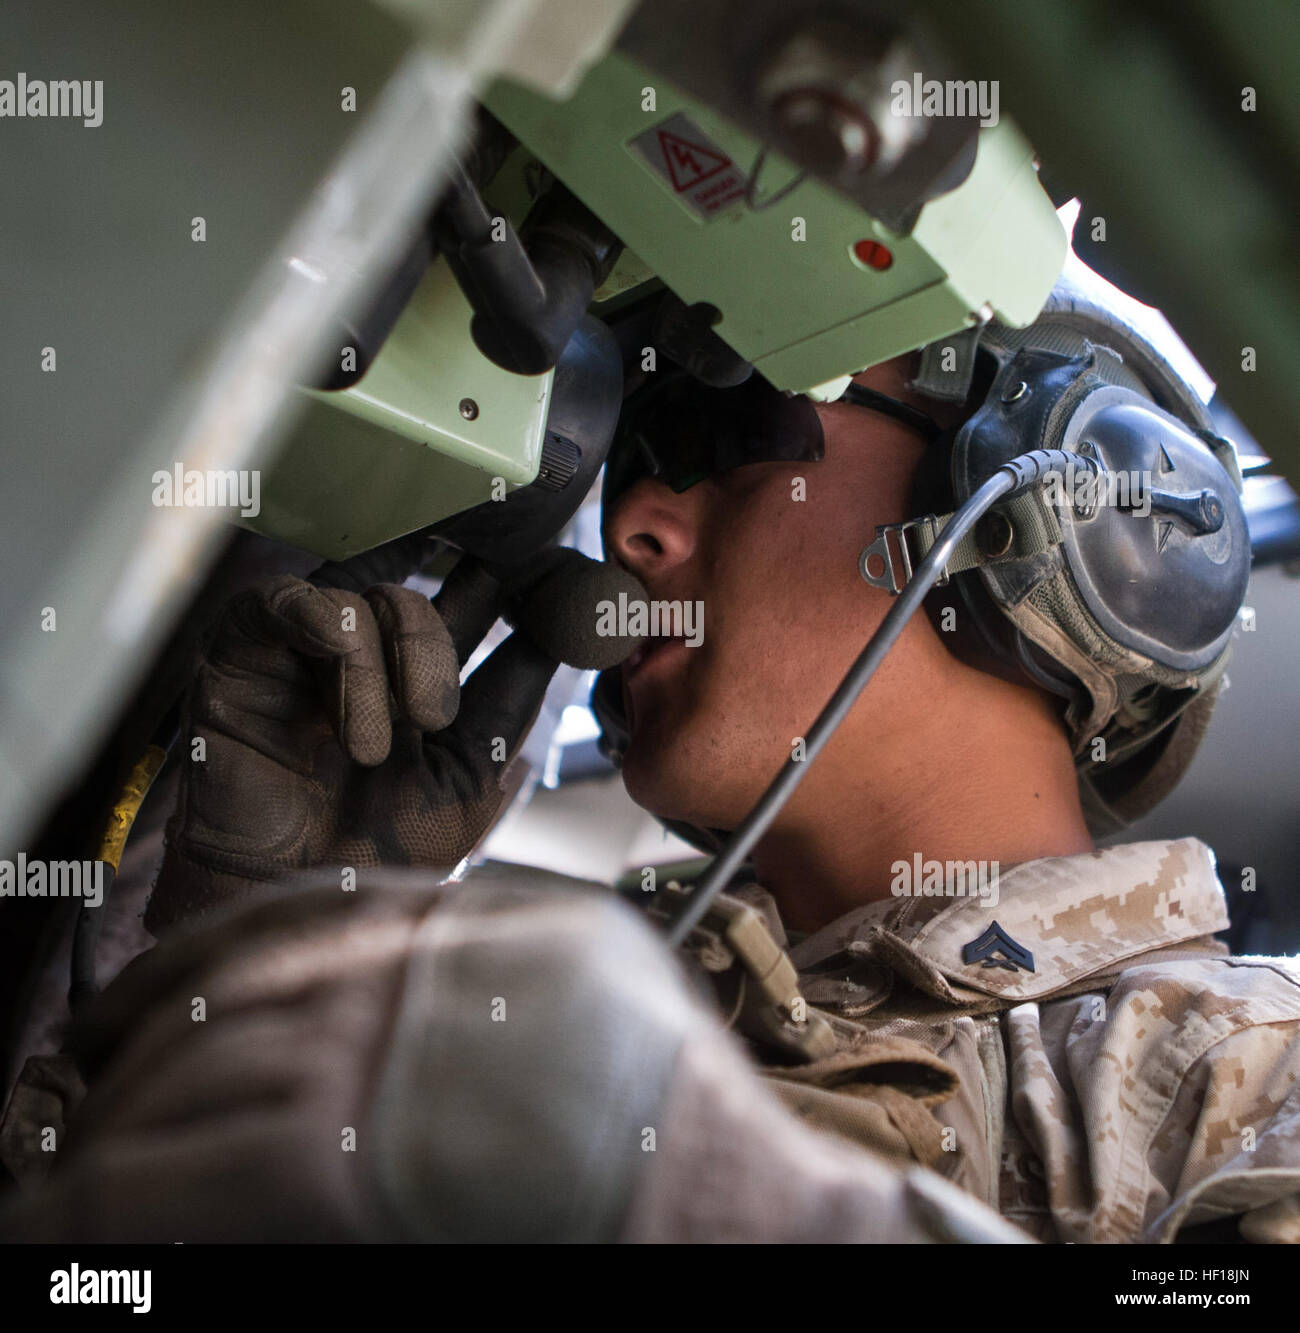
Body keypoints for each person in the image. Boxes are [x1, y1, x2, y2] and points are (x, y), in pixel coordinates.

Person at [5, 263, 1299, 1245]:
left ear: (1036, 499)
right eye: (635, 462)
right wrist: (238, 952)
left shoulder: (1244, 1072)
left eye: (739, 441)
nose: (634, 522)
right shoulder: (616, 1018)